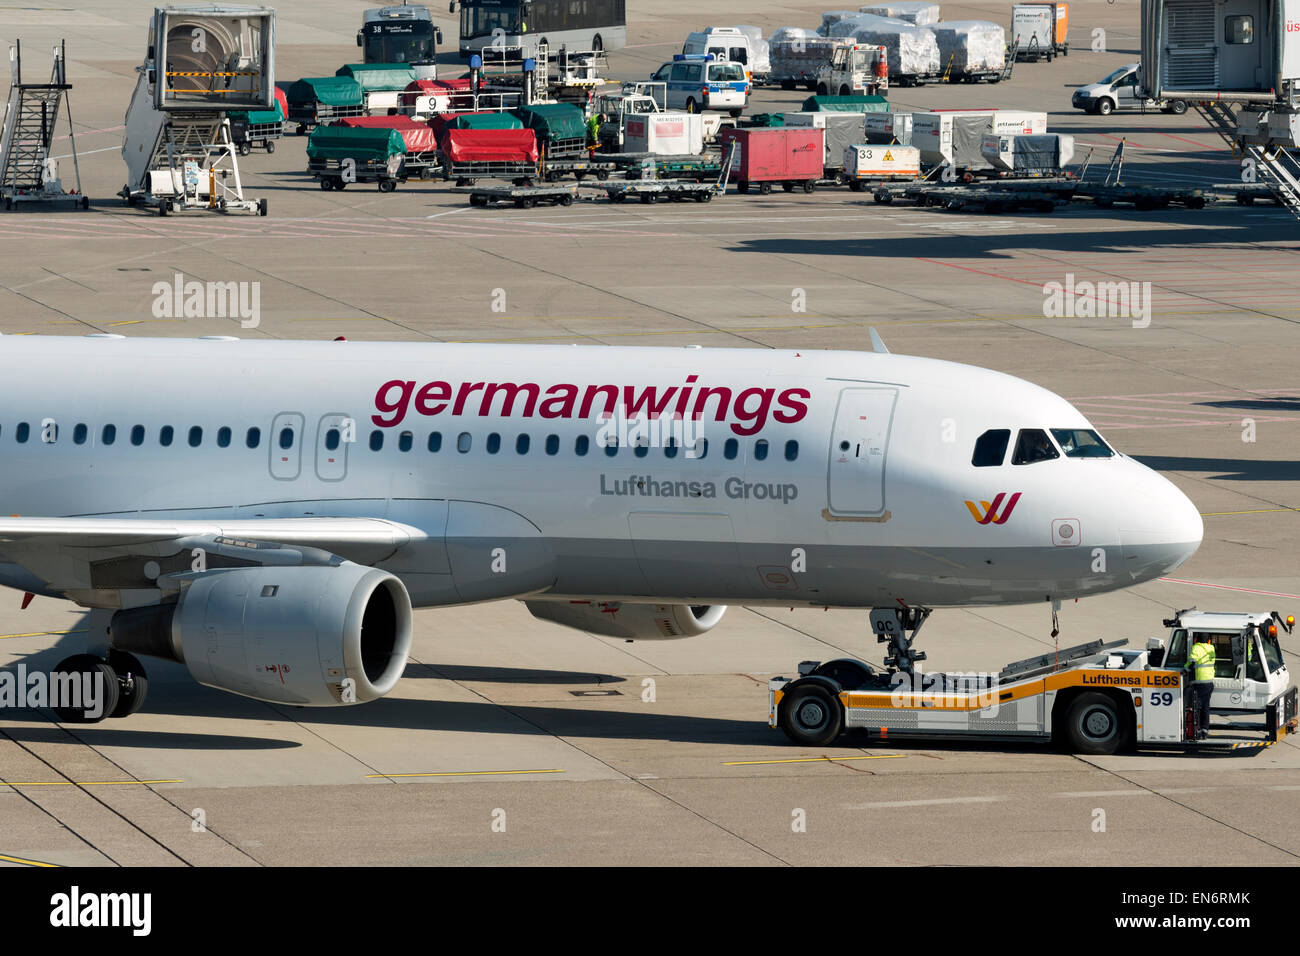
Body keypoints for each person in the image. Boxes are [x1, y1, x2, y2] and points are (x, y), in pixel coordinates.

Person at [1185, 633, 1216, 740]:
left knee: (1196, 707)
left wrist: (1185, 670)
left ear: (1196, 640)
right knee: (1205, 707)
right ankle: (1204, 730)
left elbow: (1192, 662)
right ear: (1208, 641)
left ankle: (1196, 731)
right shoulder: (1211, 648)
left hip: (1200, 682)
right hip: (1209, 683)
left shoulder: (1196, 648)